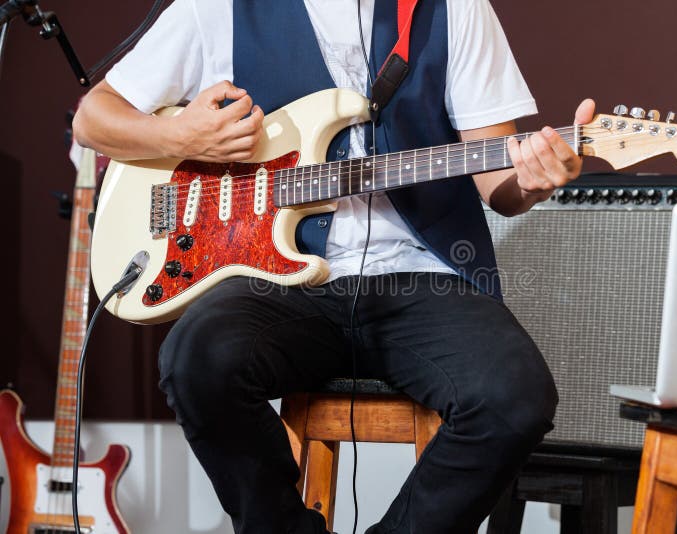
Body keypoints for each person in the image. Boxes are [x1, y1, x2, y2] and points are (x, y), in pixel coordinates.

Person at [74, 0, 594, 532]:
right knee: (196, 360)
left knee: (516, 396)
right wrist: (182, 139)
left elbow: (497, 188)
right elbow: (93, 117)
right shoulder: (218, 8)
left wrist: (531, 182)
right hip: (276, 284)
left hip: (422, 276)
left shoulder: (454, 8)